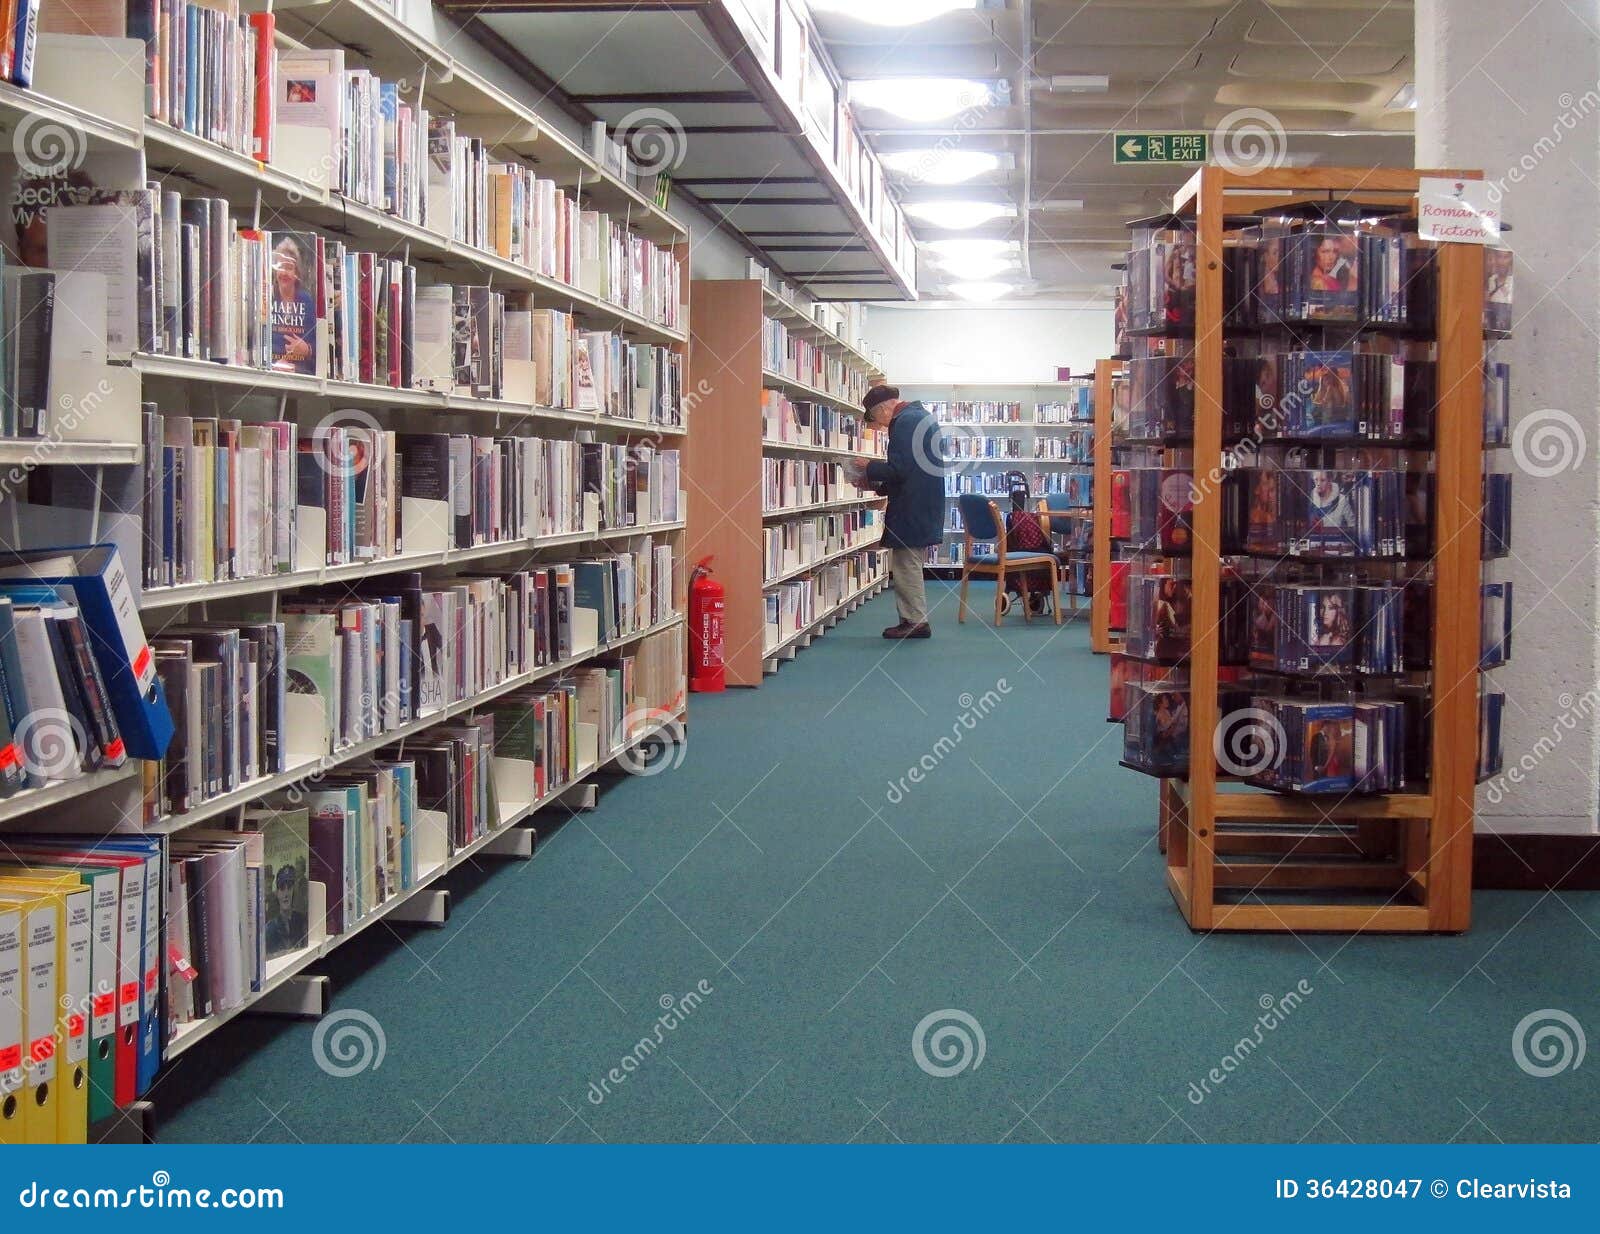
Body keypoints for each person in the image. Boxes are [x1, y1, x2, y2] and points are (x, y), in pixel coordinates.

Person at [847, 385, 945, 639]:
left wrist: (869, 467)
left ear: (882, 409)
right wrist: (876, 485)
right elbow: (910, 470)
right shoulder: (920, 417)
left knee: (906, 564)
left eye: (876, 419)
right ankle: (913, 618)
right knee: (908, 563)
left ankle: (915, 621)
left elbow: (900, 469)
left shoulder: (905, 422)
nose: (880, 426)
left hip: (911, 507)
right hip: (921, 503)